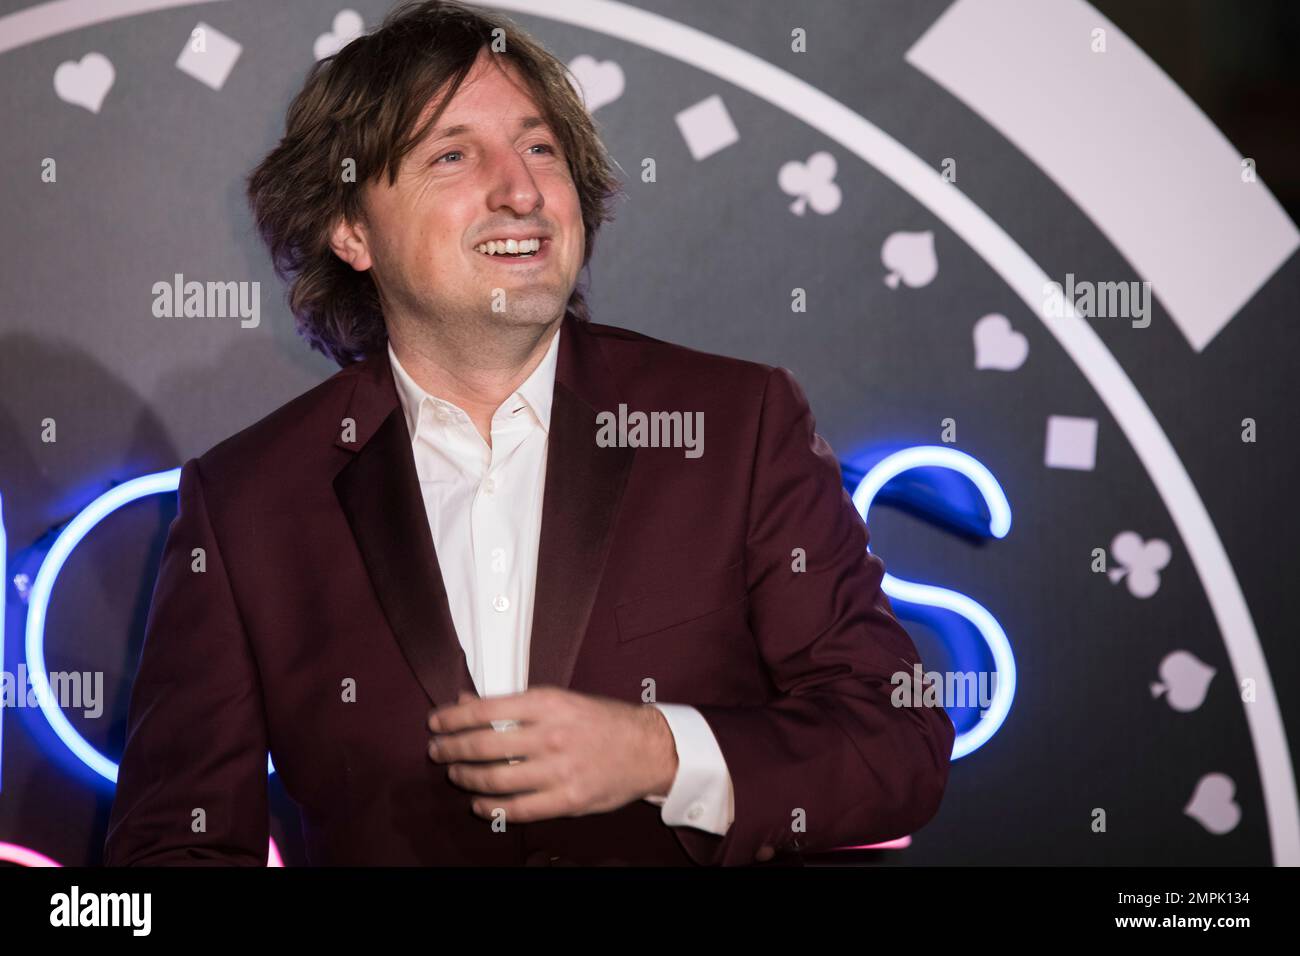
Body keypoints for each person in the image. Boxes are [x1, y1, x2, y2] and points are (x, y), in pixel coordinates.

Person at [104, 0, 954, 867]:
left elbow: (897, 740)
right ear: (352, 230)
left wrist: (658, 752)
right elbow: (176, 846)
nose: (521, 190)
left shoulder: (736, 427)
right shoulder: (248, 503)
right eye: (451, 155)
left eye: (541, 148)